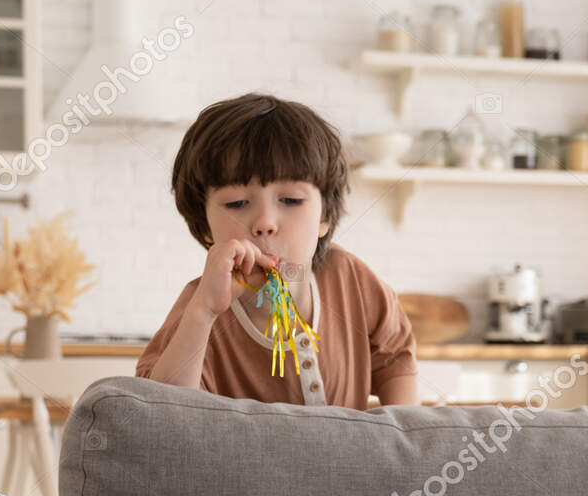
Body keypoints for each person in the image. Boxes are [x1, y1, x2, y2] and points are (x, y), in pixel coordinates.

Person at [135, 93, 419, 409]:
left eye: (291, 201)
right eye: (237, 204)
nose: (265, 223)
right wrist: (203, 313)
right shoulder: (199, 308)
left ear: (323, 217)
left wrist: (399, 438)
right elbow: (161, 414)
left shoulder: (350, 278)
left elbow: (395, 357)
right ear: (204, 225)